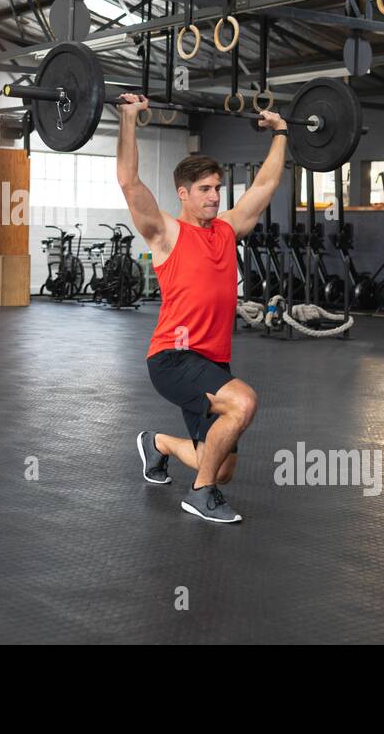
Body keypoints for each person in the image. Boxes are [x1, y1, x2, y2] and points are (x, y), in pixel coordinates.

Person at [116, 93, 287, 523]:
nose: (215, 196)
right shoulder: (166, 233)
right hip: (173, 358)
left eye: (217, 188)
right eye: (205, 190)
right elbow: (130, 183)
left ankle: (157, 445)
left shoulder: (227, 230)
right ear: (184, 194)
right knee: (243, 403)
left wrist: (281, 132)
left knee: (224, 465)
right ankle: (199, 493)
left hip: (212, 362)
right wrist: (128, 119)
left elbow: (265, 186)